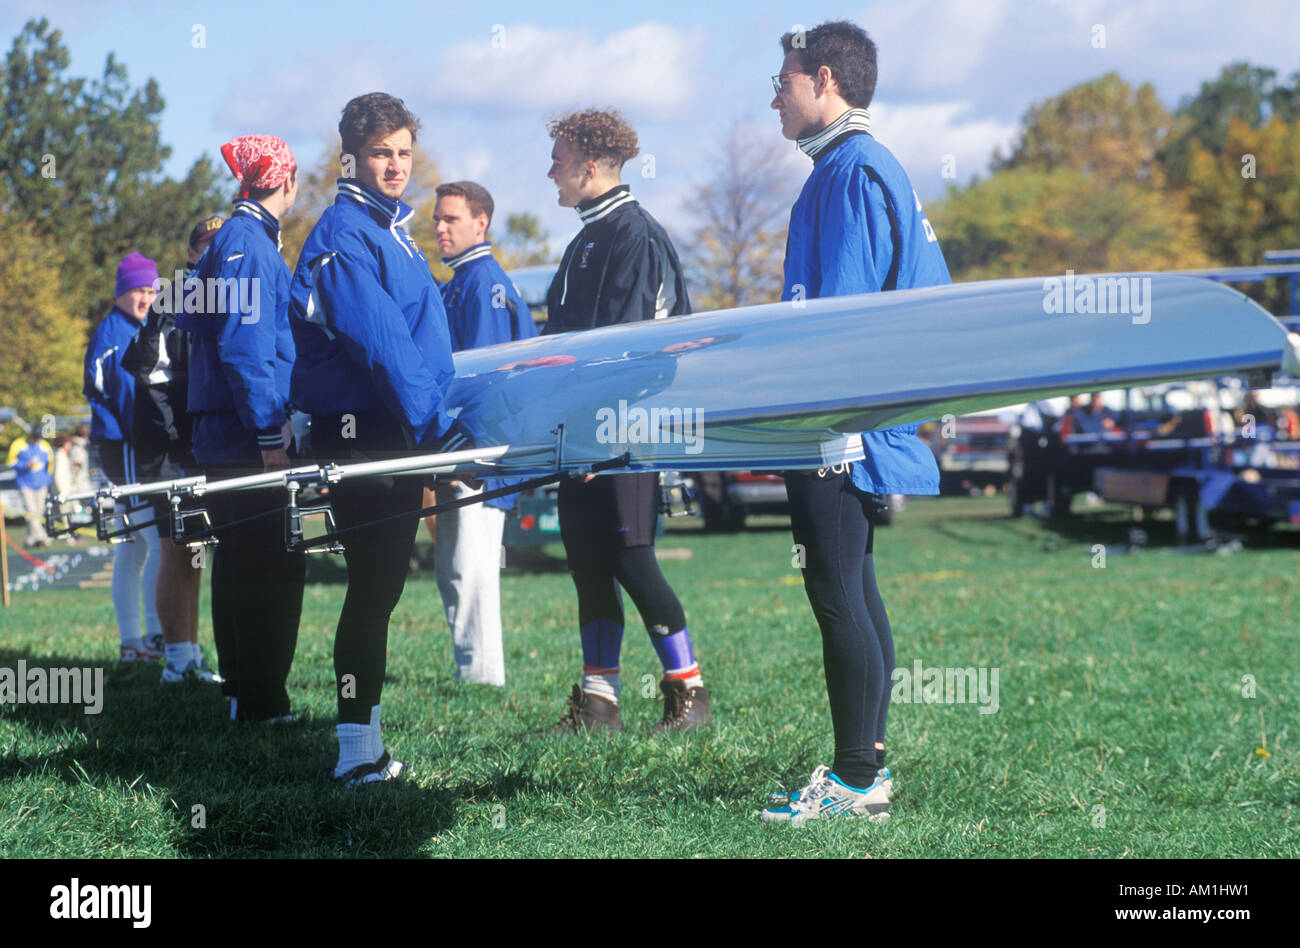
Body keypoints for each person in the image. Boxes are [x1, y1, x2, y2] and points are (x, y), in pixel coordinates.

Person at [760, 21, 950, 825]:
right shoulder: (848, 165)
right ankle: (865, 766)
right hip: (854, 426)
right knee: (857, 592)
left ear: (825, 79)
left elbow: (840, 324)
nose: (775, 96)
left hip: (845, 430)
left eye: (784, 81)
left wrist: (820, 422)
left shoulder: (854, 169)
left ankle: (853, 779)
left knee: (837, 595)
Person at [289, 93, 463, 783]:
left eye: (402, 152)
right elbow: (383, 345)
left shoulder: (391, 231)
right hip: (366, 435)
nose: (395, 165)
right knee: (372, 588)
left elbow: (423, 341)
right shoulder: (343, 236)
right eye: (380, 153)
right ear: (350, 159)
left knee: (383, 587)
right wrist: (437, 428)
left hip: (400, 428)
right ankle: (353, 754)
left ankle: (370, 745)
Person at [536, 108, 708, 735]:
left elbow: (625, 353)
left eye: (557, 160)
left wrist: (591, 435)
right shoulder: (585, 236)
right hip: (581, 435)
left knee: (633, 557)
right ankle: (599, 703)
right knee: (586, 560)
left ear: (587, 166)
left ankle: (689, 692)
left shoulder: (633, 234)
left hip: (626, 434)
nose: (549, 171)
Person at [180, 136, 304, 720]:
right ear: (287, 183)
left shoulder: (225, 241)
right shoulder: (251, 244)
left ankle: (240, 692)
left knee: (236, 560)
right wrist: (268, 434)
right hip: (244, 434)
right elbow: (246, 348)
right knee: (270, 563)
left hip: (219, 430)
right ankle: (261, 698)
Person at [432, 181, 537, 687]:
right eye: (437, 218)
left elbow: (485, 380)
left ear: (481, 223)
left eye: (451, 219)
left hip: (477, 459)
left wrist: (469, 456)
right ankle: (472, 671)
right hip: (466, 456)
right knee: (455, 567)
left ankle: (480, 677)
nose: (439, 228)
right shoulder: (461, 281)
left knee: (469, 571)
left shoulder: (482, 283)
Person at [121, 214, 225, 685]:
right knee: (174, 547)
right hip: (170, 448)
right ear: (190, 253)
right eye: (204, 244)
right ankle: (177, 660)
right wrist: (183, 447)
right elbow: (154, 380)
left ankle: (191, 653)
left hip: (194, 445)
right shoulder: (176, 297)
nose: (213, 251)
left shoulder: (226, 293)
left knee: (195, 547)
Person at [85, 253, 165, 663]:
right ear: (120, 292)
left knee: (131, 547)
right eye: (138, 289)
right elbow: (118, 394)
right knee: (154, 541)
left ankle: (133, 642)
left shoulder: (138, 327)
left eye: (152, 290)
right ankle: (153, 636)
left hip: (131, 447)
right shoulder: (114, 334)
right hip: (127, 448)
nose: (146, 297)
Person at [7, 426, 53, 547]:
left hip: (41, 484)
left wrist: (47, 479)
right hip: (25, 483)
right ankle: (42, 537)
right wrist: (25, 465)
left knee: (39, 512)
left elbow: (50, 465)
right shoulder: (18, 444)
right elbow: (10, 462)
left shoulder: (44, 446)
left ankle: (30, 539)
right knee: (31, 511)